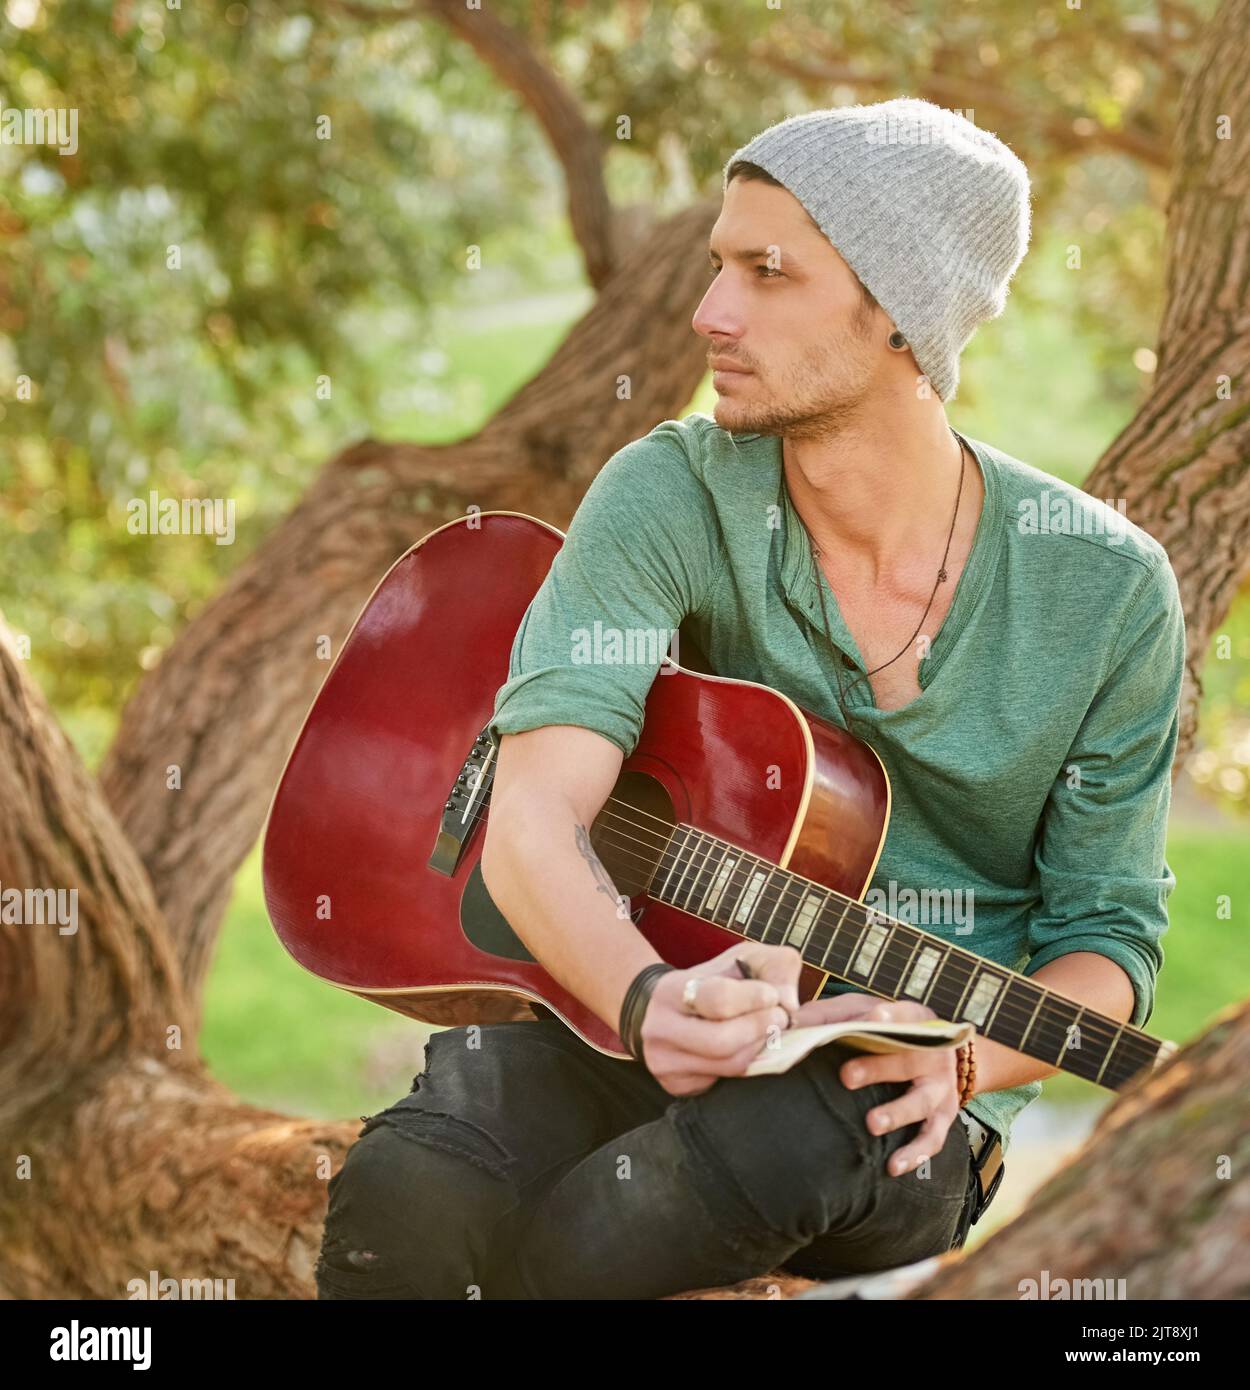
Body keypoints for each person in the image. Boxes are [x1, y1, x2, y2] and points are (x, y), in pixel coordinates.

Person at [315, 97, 1186, 1301]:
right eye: (717, 264)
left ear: (897, 309)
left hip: (891, 1098)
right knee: (408, 1189)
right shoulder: (669, 491)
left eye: (765, 273)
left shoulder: (1103, 590)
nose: (706, 313)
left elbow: (1106, 944)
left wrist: (965, 1061)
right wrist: (642, 999)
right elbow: (529, 812)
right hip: (632, 994)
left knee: (757, 1151)